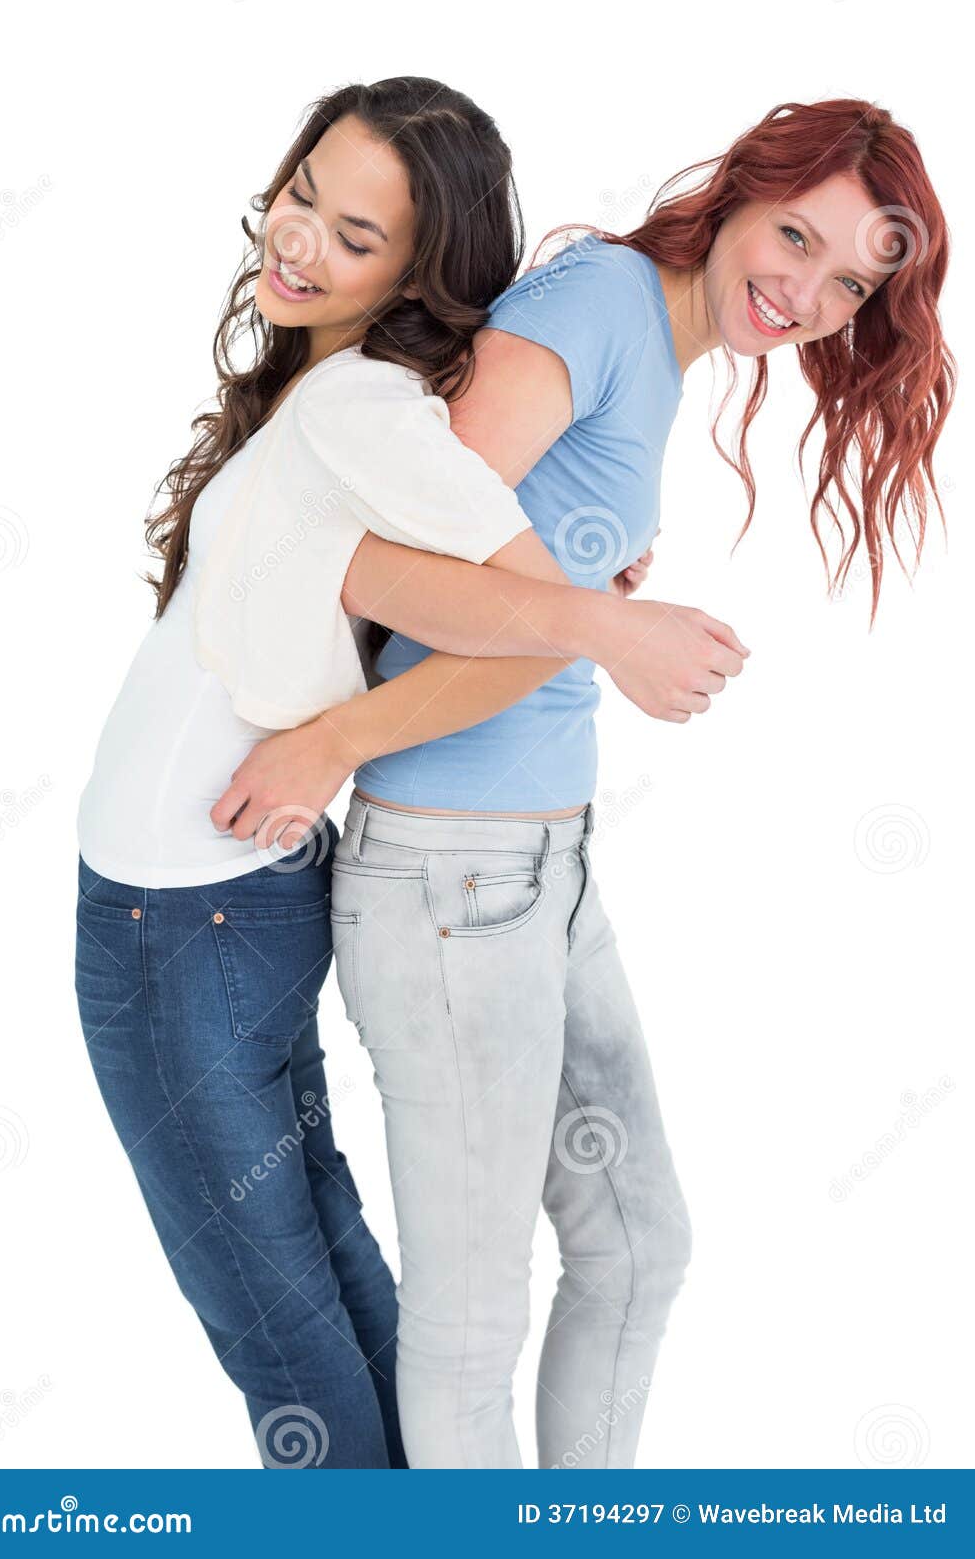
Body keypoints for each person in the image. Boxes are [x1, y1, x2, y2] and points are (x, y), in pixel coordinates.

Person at [215, 99, 954, 1468]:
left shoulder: (657, 343)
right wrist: (588, 630)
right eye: (793, 234)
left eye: (850, 277)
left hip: (540, 873)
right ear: (737, 193)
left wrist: (572, 590)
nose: (805, 290)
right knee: (472, 1320)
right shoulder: (603, 306)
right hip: (449, 878)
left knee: (637, 1240)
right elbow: (365, 556)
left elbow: (485, 560)